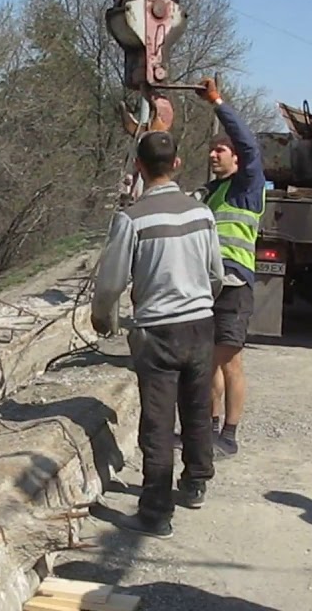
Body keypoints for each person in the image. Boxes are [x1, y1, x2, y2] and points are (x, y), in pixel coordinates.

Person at [91, 131, 226, 539]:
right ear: (178, 164)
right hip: (201, 324)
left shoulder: (131, 219)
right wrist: (200, 301)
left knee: (159, 422)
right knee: (197, 407)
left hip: (156, 330)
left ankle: (155, 512)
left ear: (138, 168)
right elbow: (217, 274)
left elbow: (112, 282)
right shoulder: (202, 214)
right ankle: (196, 481)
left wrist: (104, 319)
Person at [195, 77, 267, 459]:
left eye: (221, 149)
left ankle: (230, 434)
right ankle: (207, 431)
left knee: (227, 359)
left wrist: (217, 102)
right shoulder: (211, 194)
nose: (214, 155)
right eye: (211, 150)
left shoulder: (247, 186)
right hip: (209, 287)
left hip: (235, 284)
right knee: (209, 363)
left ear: (236, 157)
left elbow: (250, 145)